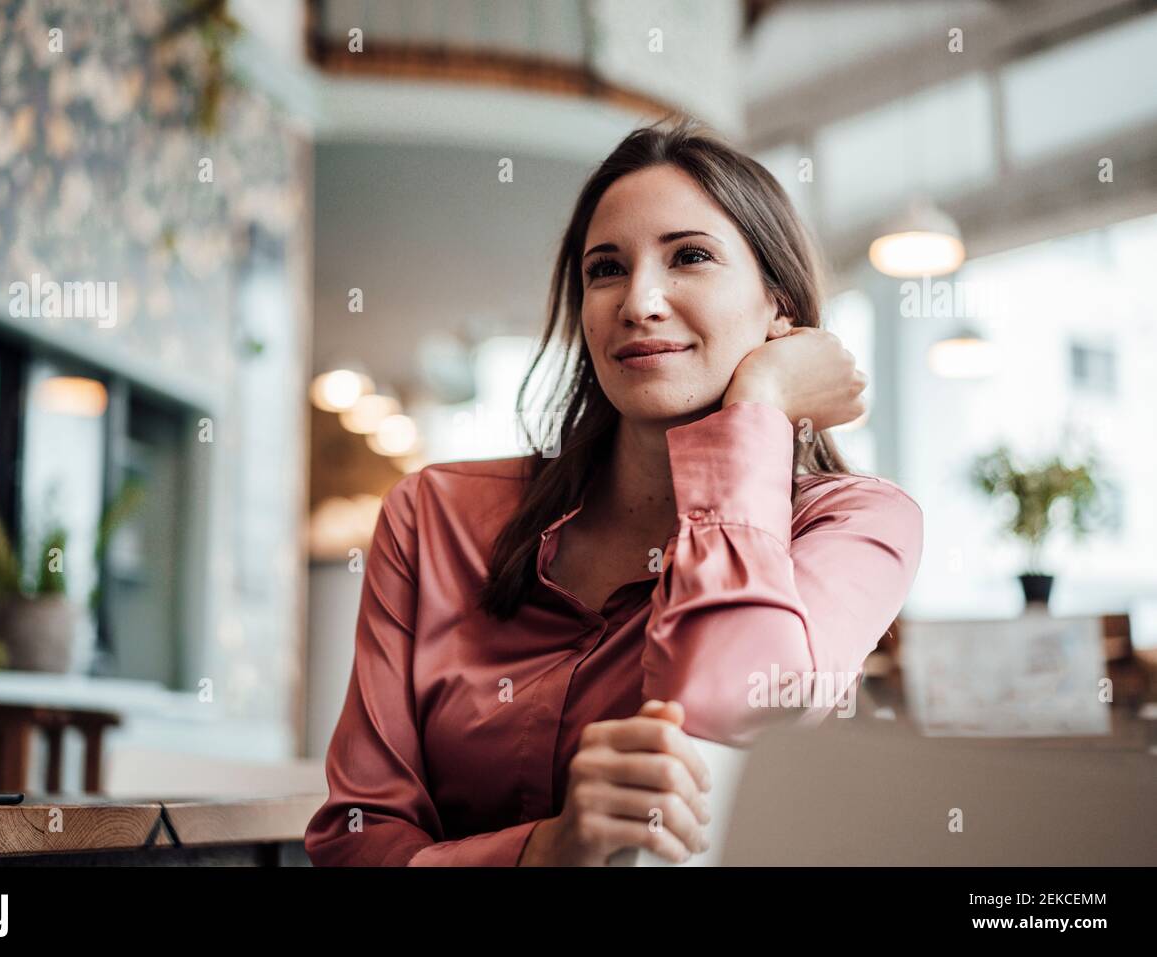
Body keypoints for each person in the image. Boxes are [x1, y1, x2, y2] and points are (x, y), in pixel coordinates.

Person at [304, 117, 923, 867]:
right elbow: (356, 836)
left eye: (689, 256)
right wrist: (545, 852)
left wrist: (758, 402)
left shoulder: (860, 524)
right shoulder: (433, 515)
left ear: (778, 306)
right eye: (606, 269)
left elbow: (730, 710)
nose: (640, 302)